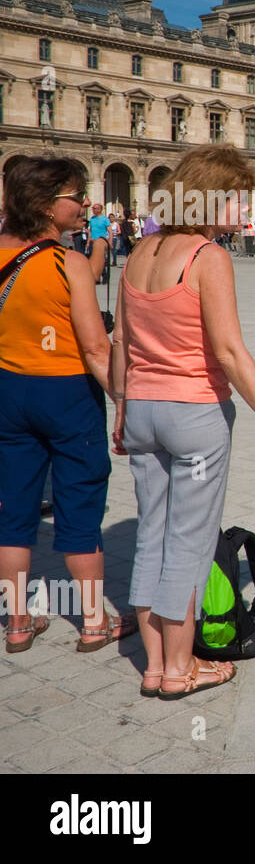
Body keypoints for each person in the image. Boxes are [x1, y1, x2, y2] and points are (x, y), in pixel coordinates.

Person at [112, 145, 255, 699]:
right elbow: (228, 352)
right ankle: (181, 669)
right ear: (207, 197)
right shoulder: (206, 257)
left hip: (144, 412)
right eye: (237, 200)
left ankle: (154, 665)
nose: (245, 213)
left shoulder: (139, 251)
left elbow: (121, 344)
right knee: (190, 543)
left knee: (151, 534)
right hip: (194, 414)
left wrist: (122, 410)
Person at [0, 158, 139, 655]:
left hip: (9, 392)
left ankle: (17, 622)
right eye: (75, 196)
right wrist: (123, 403)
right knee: (79, 508)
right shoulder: (68, 263)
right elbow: (97, 348)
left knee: (13, 510)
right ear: (44, 205)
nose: (84, 204)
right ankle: (95, 621)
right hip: (66, 394)